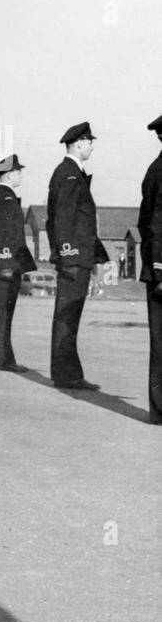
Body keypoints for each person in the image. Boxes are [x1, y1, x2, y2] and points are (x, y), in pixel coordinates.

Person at [46, 121, 109, 390]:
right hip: (74, 259)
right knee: (67, 316)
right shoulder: (70, 174)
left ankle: (67, 372)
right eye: (90, 142)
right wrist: (70, 256)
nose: (92, 146)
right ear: (80, 143)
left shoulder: (70, 172)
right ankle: (66, 375)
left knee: (69, 316)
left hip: (77, 258)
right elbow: (62, 220)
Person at [0, 155, 37, 372]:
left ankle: (5, 358)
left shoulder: (4, 197)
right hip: (6, 268)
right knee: (1, 314)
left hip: (8, 266)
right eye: (17, 171)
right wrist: (6, 264)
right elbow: (3, 236)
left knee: (4, 313)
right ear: (8, 174)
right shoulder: (6, 199)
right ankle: (1, 359)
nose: (20, 175)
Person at [137, 114, 162, 423]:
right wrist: (159, 270)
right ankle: (159, 410)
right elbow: (154, 225)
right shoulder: (159, 170)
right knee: (161, 345)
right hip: (160, 272)